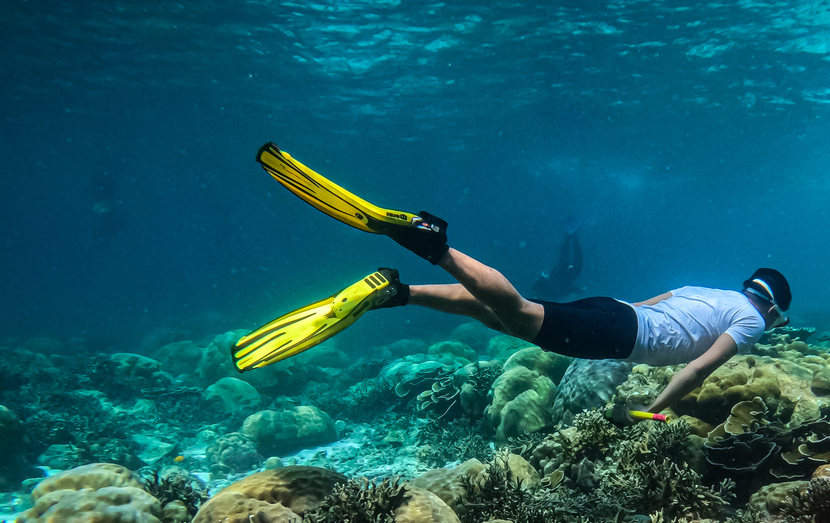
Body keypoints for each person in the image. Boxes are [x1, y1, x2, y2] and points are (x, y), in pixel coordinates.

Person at [233, 144, 792, 415]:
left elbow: (656, 300)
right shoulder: (750, 319)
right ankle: (436, 246)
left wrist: (618, 323)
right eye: (778, 315)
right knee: (520, 312)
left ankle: (395, 292)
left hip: (617, 312)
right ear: (771, 307)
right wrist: (656, 407)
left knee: (493, 311)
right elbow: (698, 366)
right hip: (624, 336)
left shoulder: (714, 291)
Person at [531, 218, 584, 300]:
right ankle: (570, 235)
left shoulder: (552, 294)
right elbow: (568, 289)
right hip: (559, 276)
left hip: (561, 277)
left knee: (568, 260)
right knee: (565, 259)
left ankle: (570, 235)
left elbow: (567, 289)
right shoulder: (550, 293)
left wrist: (579, 291)